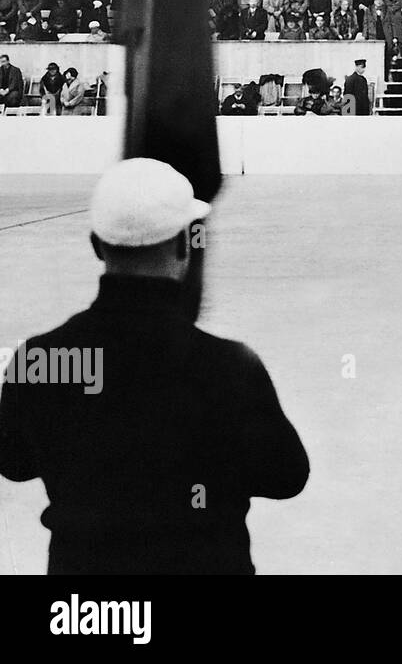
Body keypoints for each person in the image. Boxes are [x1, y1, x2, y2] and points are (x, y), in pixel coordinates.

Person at [0, 158, 310, 573]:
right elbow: (286, 477)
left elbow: (14, 464)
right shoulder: (229, 367)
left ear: (96, 245)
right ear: (185, 246)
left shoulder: (41, 360)